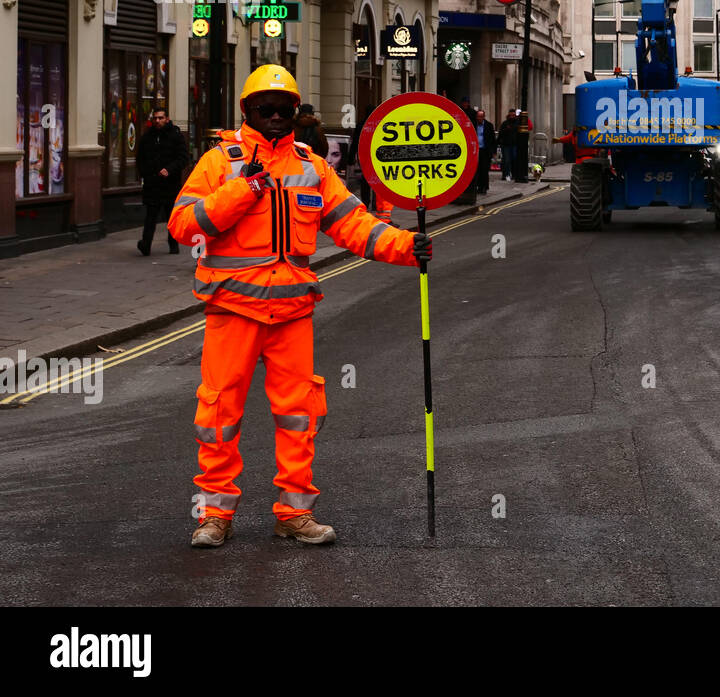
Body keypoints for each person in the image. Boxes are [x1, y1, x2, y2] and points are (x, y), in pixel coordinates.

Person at [169, 64, 431, 549]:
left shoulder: (312, 165)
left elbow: (354, 223)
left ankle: (294, 515)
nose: (275, 116)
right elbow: (185, 225)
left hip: (291, 314)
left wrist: (405, 245)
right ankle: (214, 516)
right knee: (219, 415)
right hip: (232, 312)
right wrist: (242, 189)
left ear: (296, 112)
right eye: (264, 109)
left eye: (284, 109)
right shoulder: (219, 164)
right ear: (247, 111)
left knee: (300, 417)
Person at [137, 106, 188, 256]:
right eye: (155, 118)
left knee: (171, 217)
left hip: (170, 184)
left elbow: (183, 158)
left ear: (167, 119)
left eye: (161, 118)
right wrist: (146, 174)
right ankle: (145, 245)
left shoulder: (175, 135)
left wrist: (169, 169)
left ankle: (173, 245)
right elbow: (141, 159)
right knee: (150, 218)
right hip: (152, 184)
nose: (158, 121)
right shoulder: (147, 137)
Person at [474, 109, 497, 194]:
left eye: (481, 116)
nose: (479, 118)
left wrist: (494, 151)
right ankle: (479, 187)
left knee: (484, 170)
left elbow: (493, 139)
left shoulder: (489, 125)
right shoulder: (473, 124)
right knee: (478, 170)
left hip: (485, 150)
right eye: (478, 116)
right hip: (476, 151)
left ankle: (484, 187)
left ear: (484, 117)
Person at [513, 109, 533, 181]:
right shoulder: (515, 121)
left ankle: (522, 174)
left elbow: (530, 127)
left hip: (523, 140)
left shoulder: (526, 120)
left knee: (522, 157)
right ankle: (517, 174)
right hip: (516, 141)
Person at [498, 110, 518, 181]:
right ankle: (506, 175)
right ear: (508, 115)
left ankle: (514, 174)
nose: (512, 117)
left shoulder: (518, 123)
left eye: (513, 115)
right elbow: (501, 133)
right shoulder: (505, 123)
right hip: (506, 145)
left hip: (515, 145)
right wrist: (506, 129)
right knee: (506, 160)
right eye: (511, 115)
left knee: (514, 160)